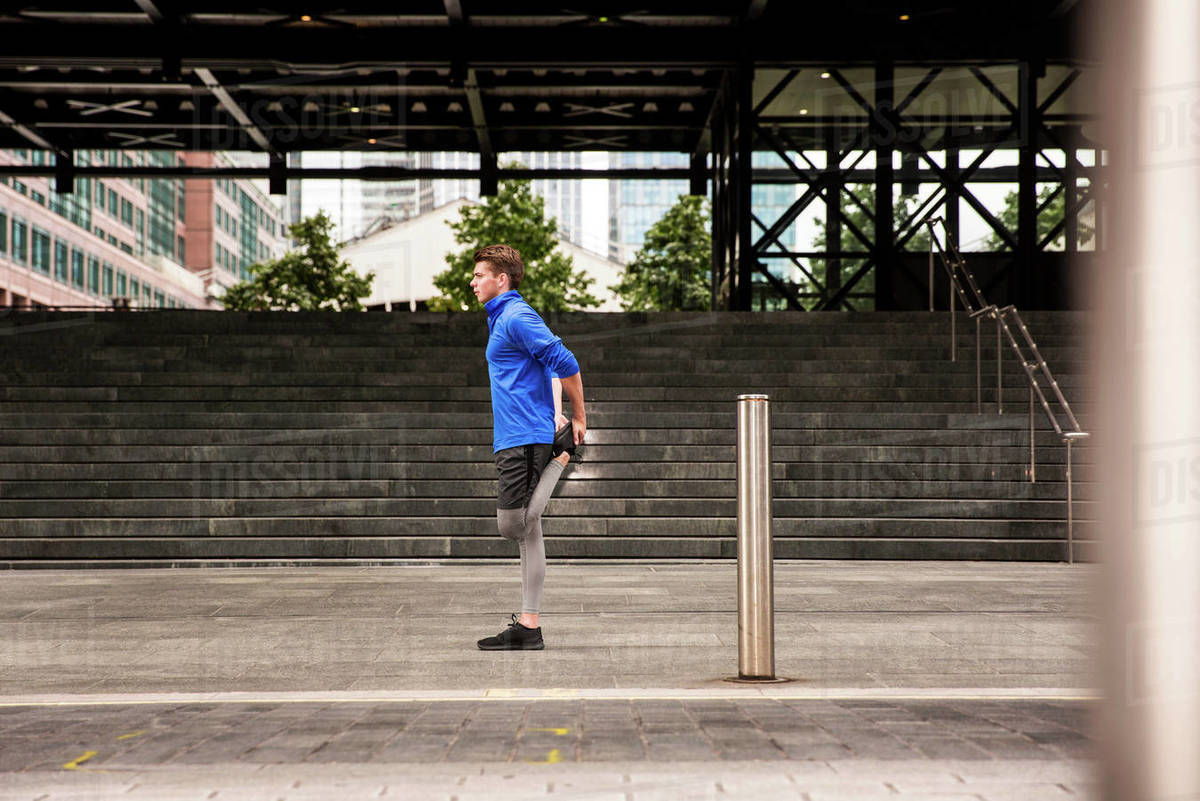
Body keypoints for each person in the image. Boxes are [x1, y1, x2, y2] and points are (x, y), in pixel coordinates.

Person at [469, 244, 586, 651]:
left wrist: (578, 418)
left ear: (501, 279)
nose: (473, 281)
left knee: (513, 525)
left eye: (480, 274)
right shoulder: (503, 318)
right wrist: (554, 410)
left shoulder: (517, 316)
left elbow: (565, 360)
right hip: (516, 435)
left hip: (525, 440)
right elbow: (545, 366)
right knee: (528, 531)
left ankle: (562, 458)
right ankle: (529, 626)